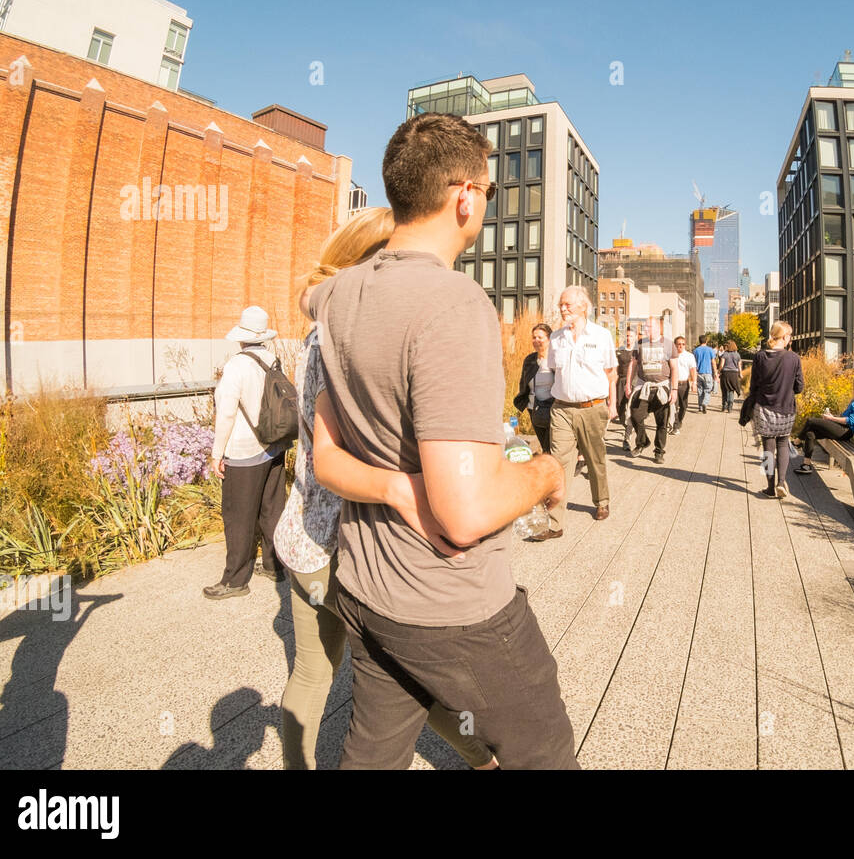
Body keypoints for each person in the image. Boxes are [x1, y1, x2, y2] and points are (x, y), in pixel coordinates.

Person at [305, 112, 576, 769]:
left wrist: (399, 484)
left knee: (371, 756)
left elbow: (325, 456)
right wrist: (543, 472)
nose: (484, 203)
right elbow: (462, 514)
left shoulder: (335, 299)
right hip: (453, 606)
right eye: (488, 191)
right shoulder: (455, 304)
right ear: (463, 196)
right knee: (547, 750)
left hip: (367, 591)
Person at [275, 207, 496, 771]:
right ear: (367, 265)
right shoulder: (346, 340)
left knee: (309, 674)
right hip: (346, 543)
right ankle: (483, 760)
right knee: (406, 679)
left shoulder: (314, 336)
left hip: (301, 536)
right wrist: (410, 490)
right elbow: (337, 459)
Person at [205, 306, 293, 600]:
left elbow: (226, 414)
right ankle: (275, 565)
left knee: (238, 516)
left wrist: (217, 453)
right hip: (274, 445)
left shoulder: (236, 366)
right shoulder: (272, 360)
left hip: (244, 452)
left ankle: (234, 581)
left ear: (241, 336)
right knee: (272, 508)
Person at [543, 286, 618, 534]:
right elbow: (554, 371)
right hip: (562, 410)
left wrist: (613, 404)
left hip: (592, 408)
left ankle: (602, 501)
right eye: (561, 305)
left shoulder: (602, 335)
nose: (563, 309)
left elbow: (610, 374)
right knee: (560, 463)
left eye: (568, 305)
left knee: (595, 459)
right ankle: (555, 523)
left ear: (583, 306)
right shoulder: (556, 338)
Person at [748, 321, 804, 499]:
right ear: (785, 337)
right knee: (783, 445)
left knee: (767, 448)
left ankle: (770, 487)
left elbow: (753, 386)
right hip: (786, 408)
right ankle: (781, 482)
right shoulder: (793, 358)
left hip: (764, 408)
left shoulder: (760, 357)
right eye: (790, 336)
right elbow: (799, 387)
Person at [796, 373, 854, 475]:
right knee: (810, 433)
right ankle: (806, 466)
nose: (853, 385)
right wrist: (832, 417)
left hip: (845, 432)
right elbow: (845, 416)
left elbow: (851, 421)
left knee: (811, 421)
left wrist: (831, 418)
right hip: (841, 428)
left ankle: (796, 442)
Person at [627, 317, 677, 464]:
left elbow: (674, 368)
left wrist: (673, 389)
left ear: (658, 328)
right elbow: (633, 364)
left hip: (662, 387)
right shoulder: (640, 343)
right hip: (644, 387)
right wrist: (628, 384)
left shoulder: (668, 344)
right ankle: (642, 442)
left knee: (662, 422)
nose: (646, 329)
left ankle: (659, 451)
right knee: (635, 416)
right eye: (645, 327)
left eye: (649, 327)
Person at [513, 323, 556, 455]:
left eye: (540, 337)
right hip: (533, 408)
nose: (536, 340)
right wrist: (523, 401)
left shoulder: (555, 359)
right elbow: (523, 382)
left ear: (549, 339)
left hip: (552, 409)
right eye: (534, 337)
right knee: (544, 444)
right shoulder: (530, 359)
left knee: (551, 447)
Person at [614, 327, 638, 451]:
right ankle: (626, 425)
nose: (629, 338)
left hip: (634, 383)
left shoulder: (638, 352)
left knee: (631, 410)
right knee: (620, 407)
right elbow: (614, 369)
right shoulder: (619, 351)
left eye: (631, 336)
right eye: (627, 336)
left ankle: (627, 438)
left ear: (635, 338)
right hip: (620, 381)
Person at [671, 337, 696, 434]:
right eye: (679, 344)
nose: (681, 346)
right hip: (673, 384)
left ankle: (679, 421)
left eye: (683, 344)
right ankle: (675, 425)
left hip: (684, 384)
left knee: (684, 406)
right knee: (674, 405)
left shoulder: (689, 356)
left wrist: (694, 382)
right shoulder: (671, 355)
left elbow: (693, 370)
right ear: (675, 345)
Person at [692, 334, 718, 413]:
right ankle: (704, 403)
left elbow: (693, 363)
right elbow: (713, 362)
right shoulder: (710, 350)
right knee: (707, 390)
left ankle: (700, 407)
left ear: (699, 341)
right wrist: (715, 373)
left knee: (700, 391)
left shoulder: (695, 351)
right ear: (706, 341)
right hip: (707, 373)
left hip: (698, 373)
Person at [718, 339, 743, 412]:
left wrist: (719, 371)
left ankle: (724, 406)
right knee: (731, 390)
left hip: (725, 374)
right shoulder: (737, 355)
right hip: (734, 374)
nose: (725, 347)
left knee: (724, 390)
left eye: (726, 346)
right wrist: (740, 374)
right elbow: (739, 366)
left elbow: (721, 365)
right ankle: (730, 407)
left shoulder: (725, 354)